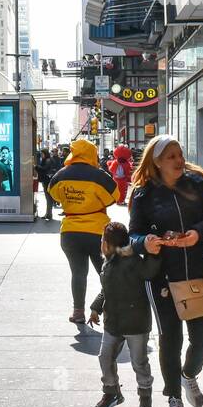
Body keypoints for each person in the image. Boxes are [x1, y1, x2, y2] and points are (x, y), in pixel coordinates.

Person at [128, 135, 203, 407]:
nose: (178, 159)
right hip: (162, 277)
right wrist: (145, 242)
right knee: (170, 339)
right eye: (171, 156)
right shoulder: (143, 193)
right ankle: (174, 399)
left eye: (180, 153)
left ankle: (189, 374)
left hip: (198, 272)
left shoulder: (198, 182)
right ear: (157, 161)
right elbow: (133, 234)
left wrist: (197, 233)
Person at [88, 221, 161, 407]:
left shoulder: (134, 261)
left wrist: (154, 252)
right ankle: (112, 392)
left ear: (111, 244)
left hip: (136, 323)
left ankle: (145, 398)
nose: (101, 243)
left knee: (139, 362)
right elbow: (106, 289)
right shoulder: (108, 262)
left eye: (104, 240)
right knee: (105, 357)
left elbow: (151, 269)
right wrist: (96, 307)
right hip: (113, 322)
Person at [47, 139, 119, 324]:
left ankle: (78, 312)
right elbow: (115, 196)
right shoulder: (99, 175)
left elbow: (52, 192)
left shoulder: (61, 174)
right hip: (97, 233)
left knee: (78, 273)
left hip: (70, 232)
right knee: (106, 273)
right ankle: (111, 310)